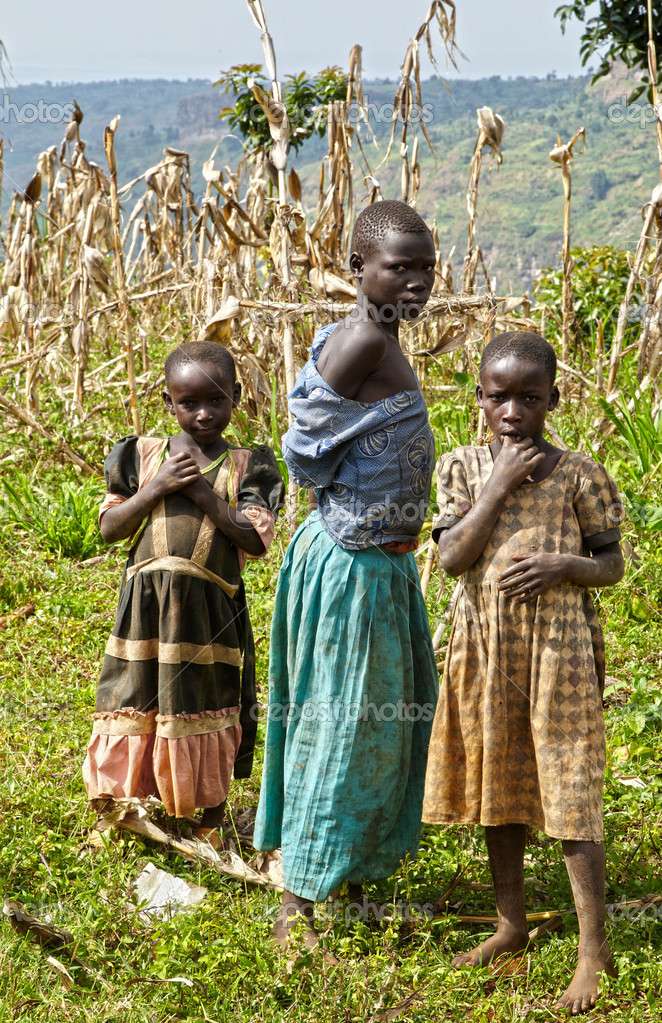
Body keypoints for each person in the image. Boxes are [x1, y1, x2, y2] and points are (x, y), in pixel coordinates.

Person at [253, 200, 440, 944]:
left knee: (372, 728)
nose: (419, 281)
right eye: (401, 266)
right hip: (351, 568)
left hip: (377, 566)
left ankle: (351, 874)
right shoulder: (362, 337)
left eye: (427, 266)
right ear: (357, 268)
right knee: (339, 724)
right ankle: (300, 900)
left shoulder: (376, 335)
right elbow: (303, 449)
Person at [423, 330, 624, 1014]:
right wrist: (499, 483)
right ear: (479, 398)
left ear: (552, 400)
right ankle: (511, 922)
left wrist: (567, 566)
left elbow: (612, 563)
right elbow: (452, 558)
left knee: (570, 789)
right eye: (498, 396)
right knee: (498, 781)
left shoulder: (580, 474)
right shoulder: (459, 467)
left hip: (558, 656)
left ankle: (593, 948)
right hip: (484, 648)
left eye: (529, 397)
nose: (512, 410)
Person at [82, 340, 284, 846]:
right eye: (187, 403)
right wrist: (157, 487)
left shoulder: (250, 465)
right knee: (131, 698)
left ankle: (208, 818)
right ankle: (121, 810)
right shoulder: (143, 456)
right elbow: (110, 527)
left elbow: (252, 538)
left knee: (206, 704)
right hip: (144, 612)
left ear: (236, 396)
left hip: (209, 612)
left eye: (215, 401)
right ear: (167, 403)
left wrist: (199, 492)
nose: (202, 414)